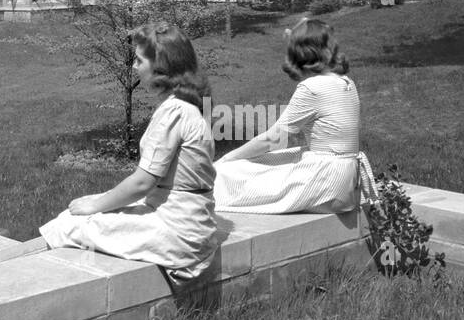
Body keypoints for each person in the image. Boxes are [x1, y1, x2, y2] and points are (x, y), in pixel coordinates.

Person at [40, 21, 219, 285]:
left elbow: (142, 183)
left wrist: (95, 206)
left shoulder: (175, 111)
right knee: (89, 206)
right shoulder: (192, 105)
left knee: (69, 223)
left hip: (178, 232)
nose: (134, 66)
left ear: (160, 67)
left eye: (139, 60)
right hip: (191, 224)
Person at [214, 17, 376, 214]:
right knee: (274, 159)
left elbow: (273, 139)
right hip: (348, 183)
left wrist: (226, 158)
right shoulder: (346, 83)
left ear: (300, 53)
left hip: (328, 186)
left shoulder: (312, 87)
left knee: (230, 171)